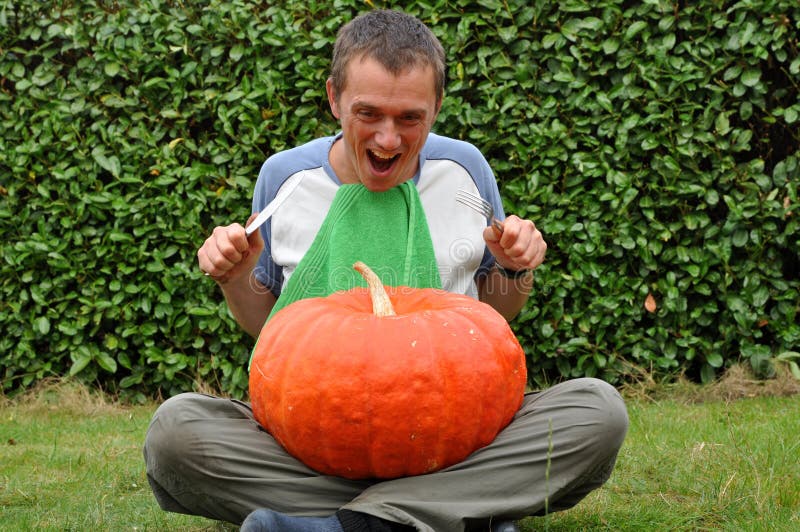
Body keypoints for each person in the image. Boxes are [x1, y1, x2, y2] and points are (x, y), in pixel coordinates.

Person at [143, 9, 628, 532]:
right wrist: (234, 277)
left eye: (410, 118)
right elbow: (269, 327)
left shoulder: (466, 171)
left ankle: (346, 523)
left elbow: (495, 311)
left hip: (453, 442)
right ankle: (452, 511)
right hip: (315, 444)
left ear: (437, 107)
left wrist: (514, 270)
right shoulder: (285, 178)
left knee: (597, 413)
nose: (388, 139)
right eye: (368, 113)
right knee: (176, 435)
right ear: (333, 98)